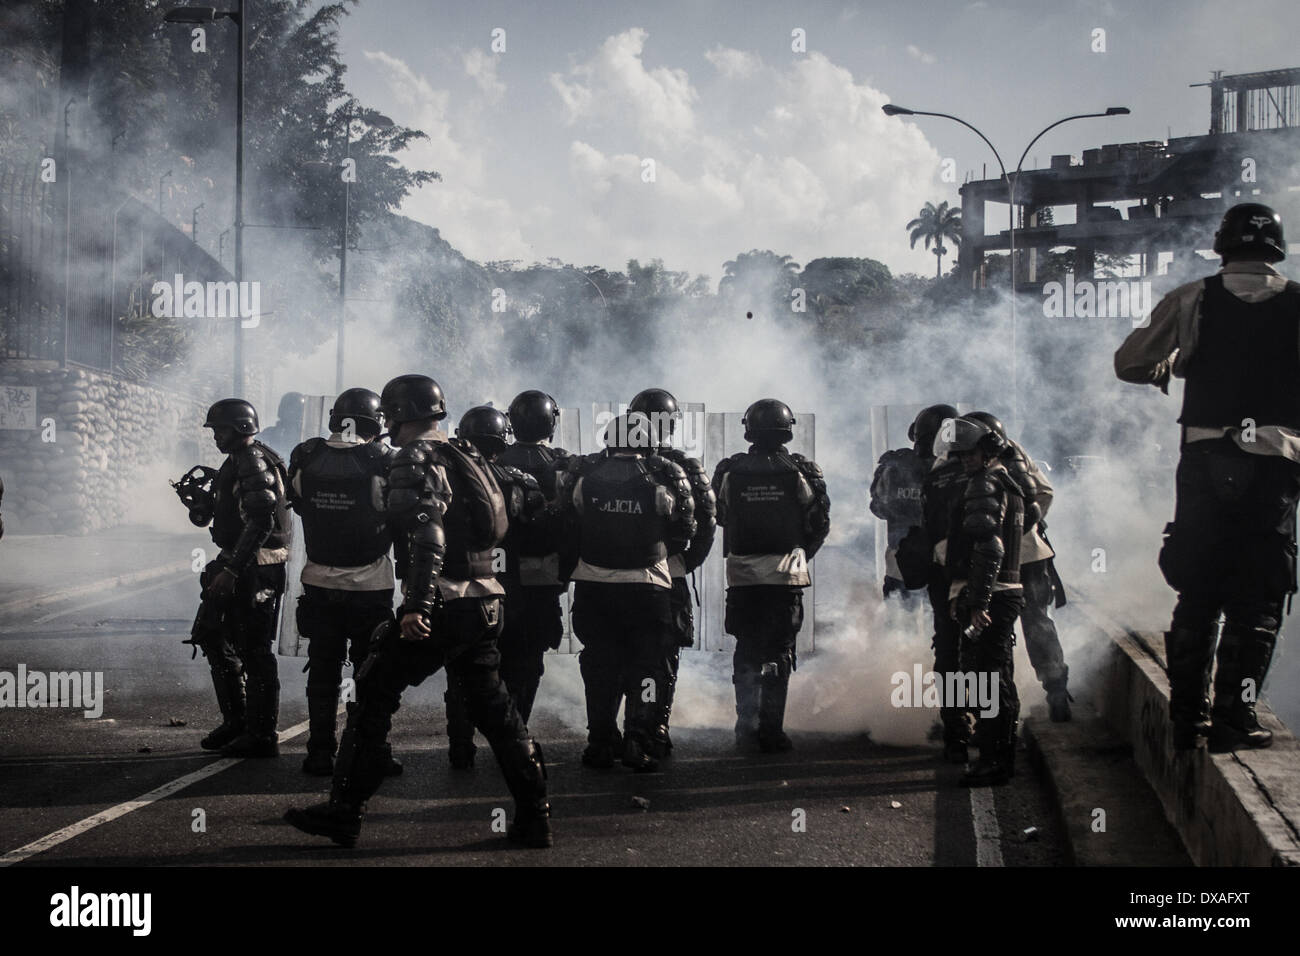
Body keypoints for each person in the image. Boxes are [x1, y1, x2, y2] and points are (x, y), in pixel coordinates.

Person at [285, 374, 551, 848]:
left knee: (372, 689)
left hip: (442, 601)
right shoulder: (468, 454)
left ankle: (344, 811)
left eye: (390, 415)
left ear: (399, 414)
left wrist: (416, 606)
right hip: (486, 600)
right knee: (495, 711)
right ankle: (536, 816)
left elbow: (427, 536)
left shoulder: (416, 458)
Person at [1115, 201, 1300, 753]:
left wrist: (1172, 365)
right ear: (1277, 249)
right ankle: (1234, 719)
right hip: (1276, 466)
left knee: (1198, 589)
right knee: (1259, 598)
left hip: (1205, 461)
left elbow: (1129, 362)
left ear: (1223, 247)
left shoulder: (1191, 297)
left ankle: (1185, 718)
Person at [558, 413, 695, 771]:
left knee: (600, 666)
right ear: (647, 443)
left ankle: (600, 742)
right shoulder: (663, 480)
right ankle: (638, 738)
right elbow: (685, 530)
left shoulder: (585, 479)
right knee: (647, 668)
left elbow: (567, 522)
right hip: (648, 588)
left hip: (593, 587)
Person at [286, 387, 398, 776]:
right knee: (370, 676)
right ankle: (369, 752)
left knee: (323, 670)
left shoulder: (305, 456)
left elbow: (298, 503)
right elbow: (396, 514)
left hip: (318, 582)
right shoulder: (383, 461)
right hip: (370, 586)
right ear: (376, 423)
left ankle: (319, 751)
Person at [712, 399, 830, 753]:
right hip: (786, 576)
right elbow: (819, 524)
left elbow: (718, 515)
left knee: (746, 648)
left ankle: (745, 726)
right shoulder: (801, 471)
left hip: (743, 575)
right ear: (787, 429)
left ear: (749, 428)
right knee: (780, 652)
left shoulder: (731, 470)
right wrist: (800, 555)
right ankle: (771, 731)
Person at [180, 399, 292, 758]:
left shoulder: (253, 461)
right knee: (212, 635)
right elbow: (239, 512)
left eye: (221, 430)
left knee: (255, 650)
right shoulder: (240, 461)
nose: (216, 436)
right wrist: (206, 507)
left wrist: (231, 571)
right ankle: (238, 721)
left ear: (241, 427)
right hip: (239, 563)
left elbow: (260, 521)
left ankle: (261, 734)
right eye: (215, 430)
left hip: (255, 568)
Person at [444, 405, 552, 769]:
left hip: (464, 586)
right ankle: (514, 742)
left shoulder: (445, 476)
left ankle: (461, 746)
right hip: (517, 589)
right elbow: (543, 532)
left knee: (463, 669)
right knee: (522, 665)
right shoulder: (519, 481)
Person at [626, 388, 717, 757]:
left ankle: (615, 734)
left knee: (620, 654)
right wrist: (682, 564)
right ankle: (651, 727)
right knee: (660, 657)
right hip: (668, 575)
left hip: (612, 576)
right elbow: (707, 524)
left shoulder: (605, 463)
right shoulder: (684, 467)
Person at [935, 416, 1025, 786]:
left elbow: (990, 547)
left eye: (970, 453)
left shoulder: (985, 484)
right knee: (998, 677)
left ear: (987, 451)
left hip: (991, 594)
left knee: (985, 679)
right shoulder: (1011, 483)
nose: (964, 460)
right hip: (1006, 592)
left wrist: (977, 603)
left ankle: (992, 761)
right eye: (959, 455)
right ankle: (999, 757)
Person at [965, 411, 1072, 721]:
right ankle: (1056, 691)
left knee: (984, 632)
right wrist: (1021, 526)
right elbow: (1044, 492)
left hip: (991, 560)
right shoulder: (1014, 453)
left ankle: (984, 712)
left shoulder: (974, 460)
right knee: (1038, 623)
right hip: (1030, 555)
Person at [493, 390, 575, 735]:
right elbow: (574, 524)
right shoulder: (562, 465)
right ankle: (516, 729)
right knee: (529, 661)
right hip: (542, 575)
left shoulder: (491, 459)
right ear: (551, 422)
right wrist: (566, 574)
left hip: (493, 571)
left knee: (489, 657)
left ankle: (473, 739)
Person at [894, 404, 969, 761]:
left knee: (950, 651)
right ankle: (972, 728)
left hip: (944, 574)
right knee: (969, 653)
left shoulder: (938, 478)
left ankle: (957, 729)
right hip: (966, 577)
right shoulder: (969, 475)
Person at [869, 429, 927, 602]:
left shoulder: (896, 464)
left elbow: (878, 508)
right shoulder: (953, 469)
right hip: (940, 558)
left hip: (899, 555)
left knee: (900, 618)